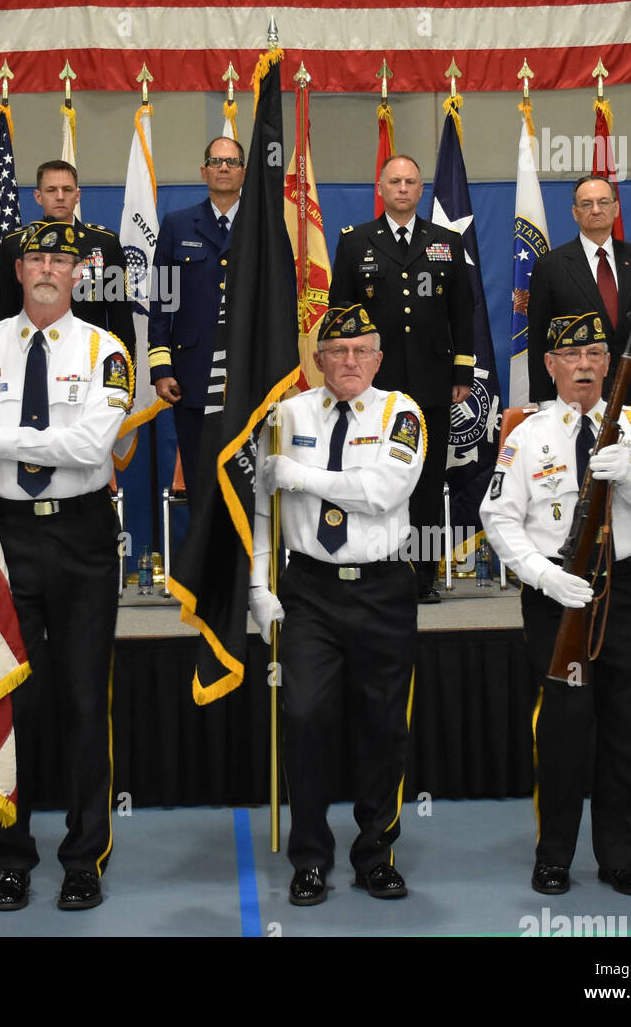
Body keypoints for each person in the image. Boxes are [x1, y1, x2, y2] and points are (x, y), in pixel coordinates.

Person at [0, 222, 129, 913]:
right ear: (18, 270)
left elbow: (88, 448)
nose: (49, 268)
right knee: (10, 701)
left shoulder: (105, 350)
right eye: (36, 258)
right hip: (4, 537)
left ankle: (84, 858)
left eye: (61, 258)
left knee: (85, 701)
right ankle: (12, 857)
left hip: (80, 540)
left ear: (79, 272)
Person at [480, 311, 631, 896]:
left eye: (596, 354)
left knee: (625, 727)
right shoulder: (526, 434)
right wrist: (545, 578)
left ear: (608, 365)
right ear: (549, 366)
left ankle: (621, 856)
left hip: (622, 594)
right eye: (571, 357)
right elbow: (498, 519)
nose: (584, 365)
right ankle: (554, 855)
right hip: (556, 600)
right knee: (564, 731)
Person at [248, 304, 425, 906]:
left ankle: (377, 853)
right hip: (310, 591)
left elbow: (381, 492)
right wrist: (257, 582)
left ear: (378, 358)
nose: (350, 362)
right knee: (304, 720)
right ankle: (310, 857)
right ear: (317, 358)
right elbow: (263, 507)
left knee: (382, 726)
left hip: (382, 590)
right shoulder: (286, 413)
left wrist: (300, 476)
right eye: (338, 351)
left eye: (362, 351)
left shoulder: (402, 413)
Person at [328, 155, 473, 602]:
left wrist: (462, 369)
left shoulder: (445, 241)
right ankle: (380, 570)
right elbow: (340, 315)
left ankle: (422, 576)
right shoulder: (355, 242)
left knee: (426, 483)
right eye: (395, 181)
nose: (404, 189)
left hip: (432, 382)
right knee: (375, 478)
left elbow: (462, 312)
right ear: (381, 186)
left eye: (411, 182)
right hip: (374, 386)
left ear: (421, 188)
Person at [526, 175, 631, 416]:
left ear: (615, 208)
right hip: (574, 394)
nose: (596, 210)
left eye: (603, 202)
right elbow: (539, 338)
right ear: (574, 212)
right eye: (586, 204)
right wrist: (544, 400)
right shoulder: (550, 265)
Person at [147, 135, 245, 485]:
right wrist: (161, 368)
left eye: (231, 162)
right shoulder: (177, 224)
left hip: (245, 373)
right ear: (203, 171)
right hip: (191, 374)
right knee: (200, 477)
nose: (223, 168)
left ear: (243, 172)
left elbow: (274, 302)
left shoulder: (263, 225)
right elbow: (162, 300)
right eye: (216, 162)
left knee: (244, 481)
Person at [0, 159, 135, 357]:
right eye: (51, 190)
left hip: (88, 359)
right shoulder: (15, 245)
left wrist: (123, 381)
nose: (60, 197)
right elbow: (2, 318)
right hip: (30, 358)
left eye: (67, 190)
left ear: (78, 195)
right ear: (38, 196)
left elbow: (122, 323)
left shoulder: (104, 243)